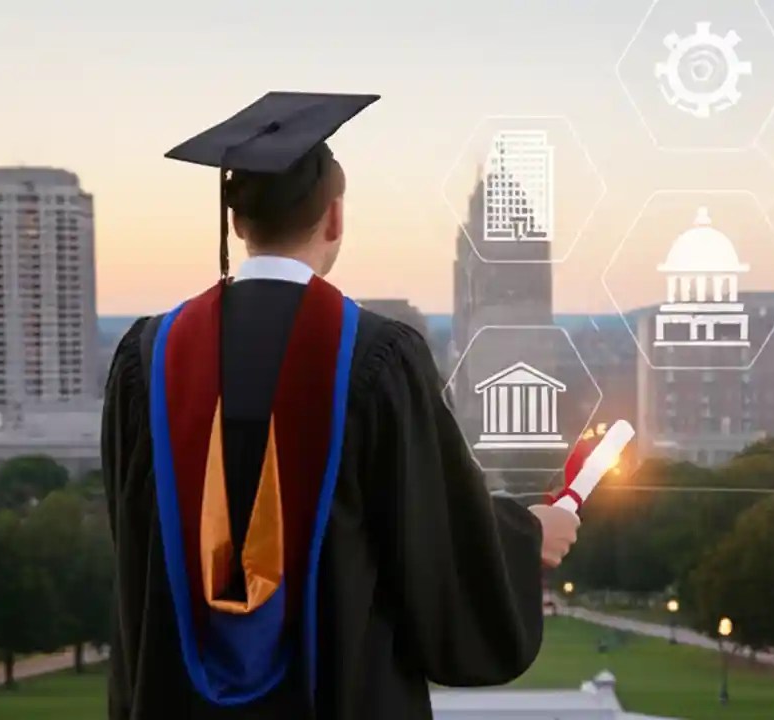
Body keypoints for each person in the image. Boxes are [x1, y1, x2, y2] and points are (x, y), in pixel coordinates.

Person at [101, 91, 582, 720]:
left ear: (238, 224)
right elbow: (436, 543)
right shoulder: (376, 358)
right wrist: (526, 537)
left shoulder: (148, 358)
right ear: (335, 219)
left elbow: (135, 547)